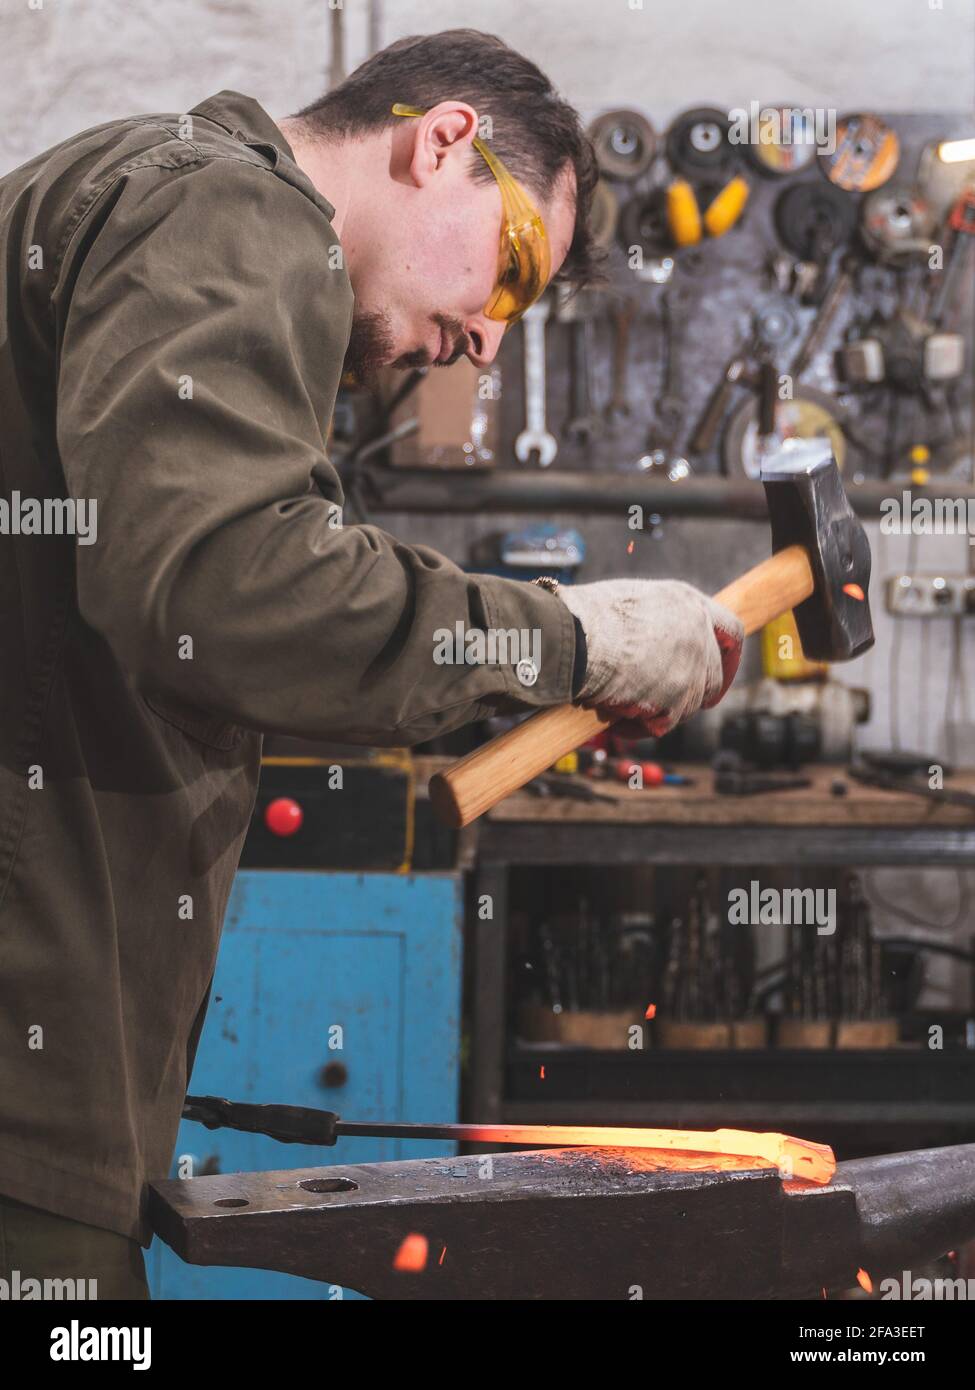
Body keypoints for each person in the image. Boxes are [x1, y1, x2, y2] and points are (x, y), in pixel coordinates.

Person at [0, 29, 742, 1297]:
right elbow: (224, 589)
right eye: (510, 272)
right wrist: (573, 638)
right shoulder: (223, 204)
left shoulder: (117, 193)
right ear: (440, 141)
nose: (491, 342)